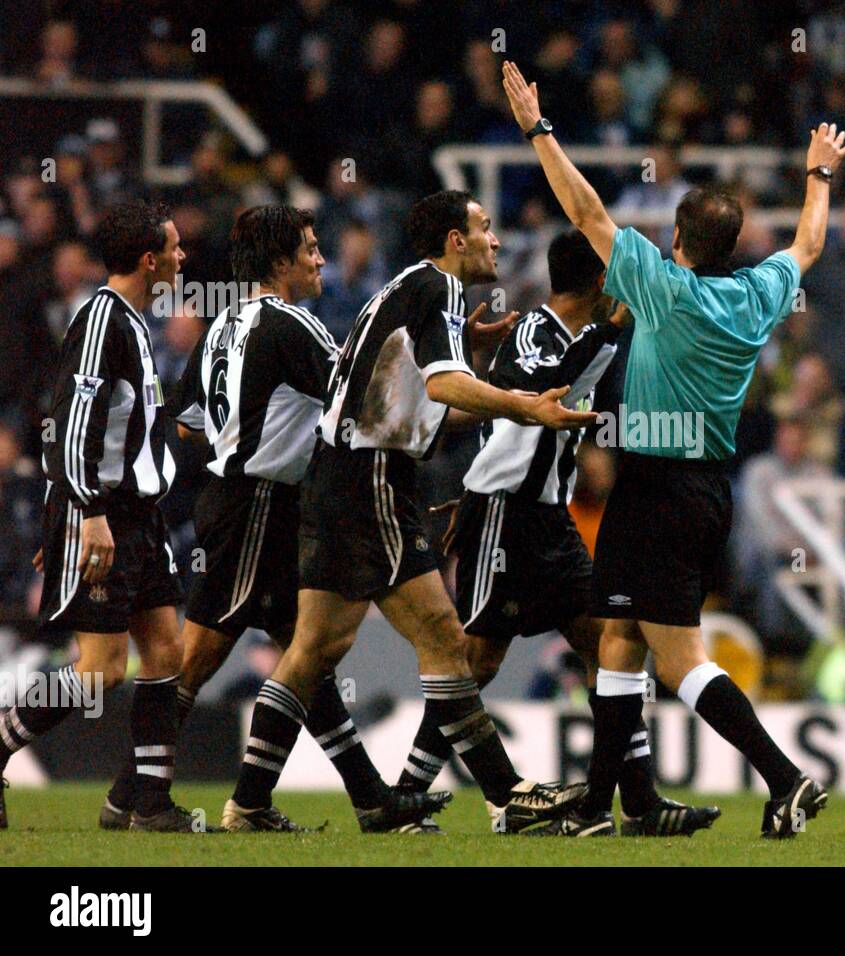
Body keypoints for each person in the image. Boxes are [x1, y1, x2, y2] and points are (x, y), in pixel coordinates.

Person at [501, 59, 845, 837]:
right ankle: (599, 806)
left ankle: (786, 776)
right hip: (703, 489)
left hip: (656, 491)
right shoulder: (759, 292)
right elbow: (809, 245)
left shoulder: (668, 288)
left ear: (677, 240)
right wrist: (818, 176)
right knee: (620, 642)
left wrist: (538, 129)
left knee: (679, 658)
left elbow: (586, 210)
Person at [221, 190, 595, 834]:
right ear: (455, 240)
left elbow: (429, 403)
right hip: (369, 480)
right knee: (445, 640)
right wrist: (524, 405)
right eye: (483, 227)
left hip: (338, 475)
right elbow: (445, 386)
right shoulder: (439, 292)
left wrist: (477, 372)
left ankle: (248, 802)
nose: (495, 240)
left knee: (314, 648)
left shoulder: (411, 290)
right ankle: (507, 795)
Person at [99, 205, 447, 834]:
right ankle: (134, 796)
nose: (321, 259)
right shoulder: (291, 325)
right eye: (311, 249)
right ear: (281, 261)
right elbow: (358, 393)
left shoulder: (221, 325)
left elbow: (186, 421)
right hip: (260, 504)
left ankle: (366, 799)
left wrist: (241, 445)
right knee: (202, 658)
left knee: (304, 658)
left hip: (240, 500)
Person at [435, 228, 718, 836]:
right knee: (477, 663)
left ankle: (638, 803)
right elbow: (548, 389)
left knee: (609, 645)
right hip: (504, 511)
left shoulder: (597, 339)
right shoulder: (537, 330)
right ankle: (407, 789)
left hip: (551, 518)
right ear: (599, 282)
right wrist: (610, 329)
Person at [0, 201, 196, 832]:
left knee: (167, 652)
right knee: (101, 672)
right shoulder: (103, 320)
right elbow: (73, 428)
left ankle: (145, 802)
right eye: (173, 247)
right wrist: (82, 515)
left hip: (137, 518)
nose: (182, 256)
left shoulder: (131, 321)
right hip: (105, 514)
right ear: (149, 259)